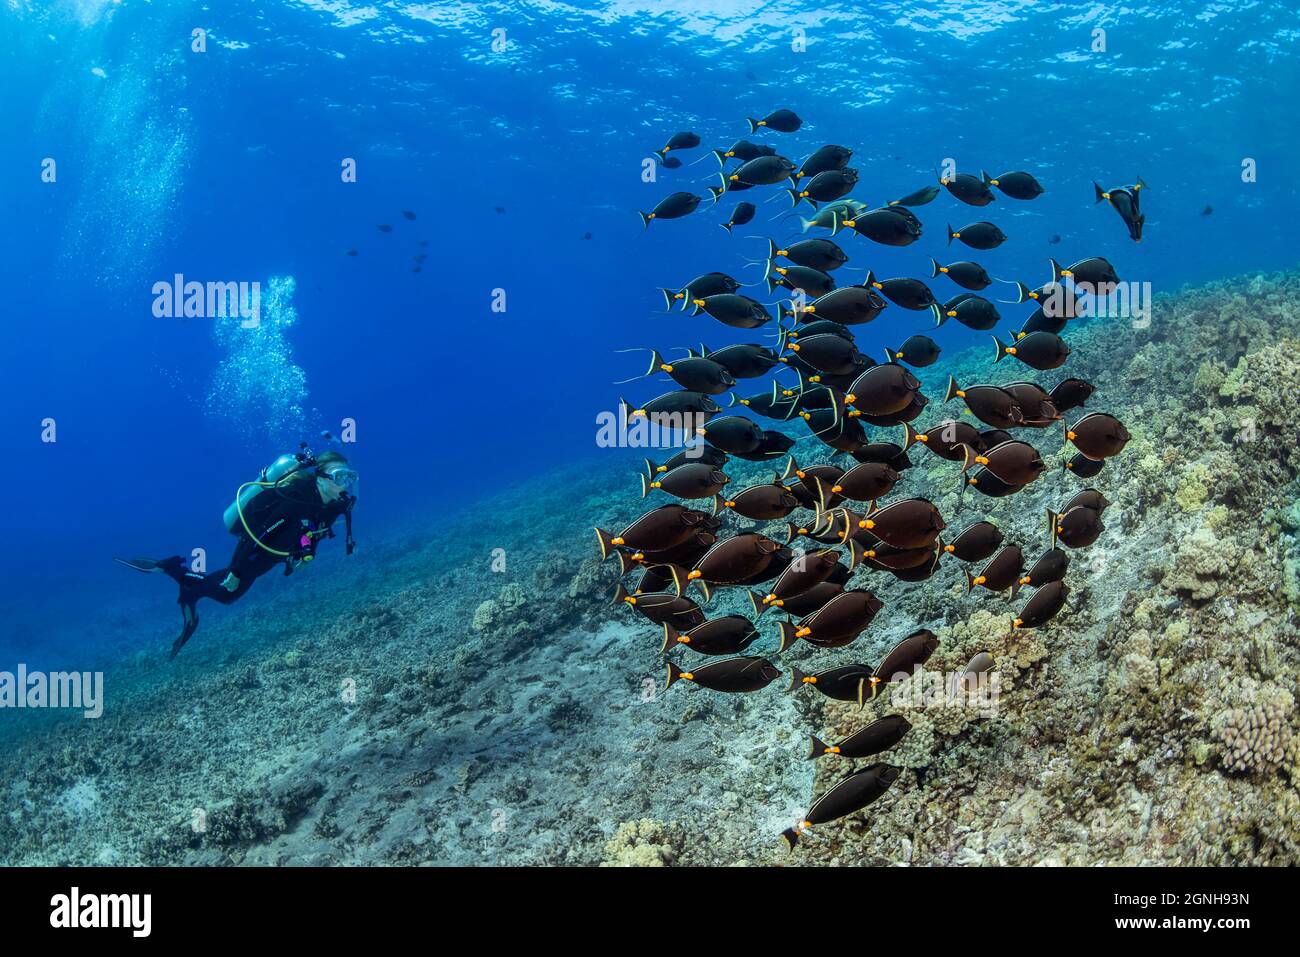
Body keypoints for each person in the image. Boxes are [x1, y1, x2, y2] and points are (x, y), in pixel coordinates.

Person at [116, 447, 357, 658]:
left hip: (273, 555)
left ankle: (185, 582)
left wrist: (302, 557)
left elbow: (314, 532)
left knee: (227, 592)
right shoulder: (294, 500)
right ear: (321, 477)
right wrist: (235, 569)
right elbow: (257, 534)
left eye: (349, 477)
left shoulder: (332, 505)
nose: (345, 484)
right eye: (339, 477)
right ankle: (174, 572)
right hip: (255, 551)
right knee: (226, 593)